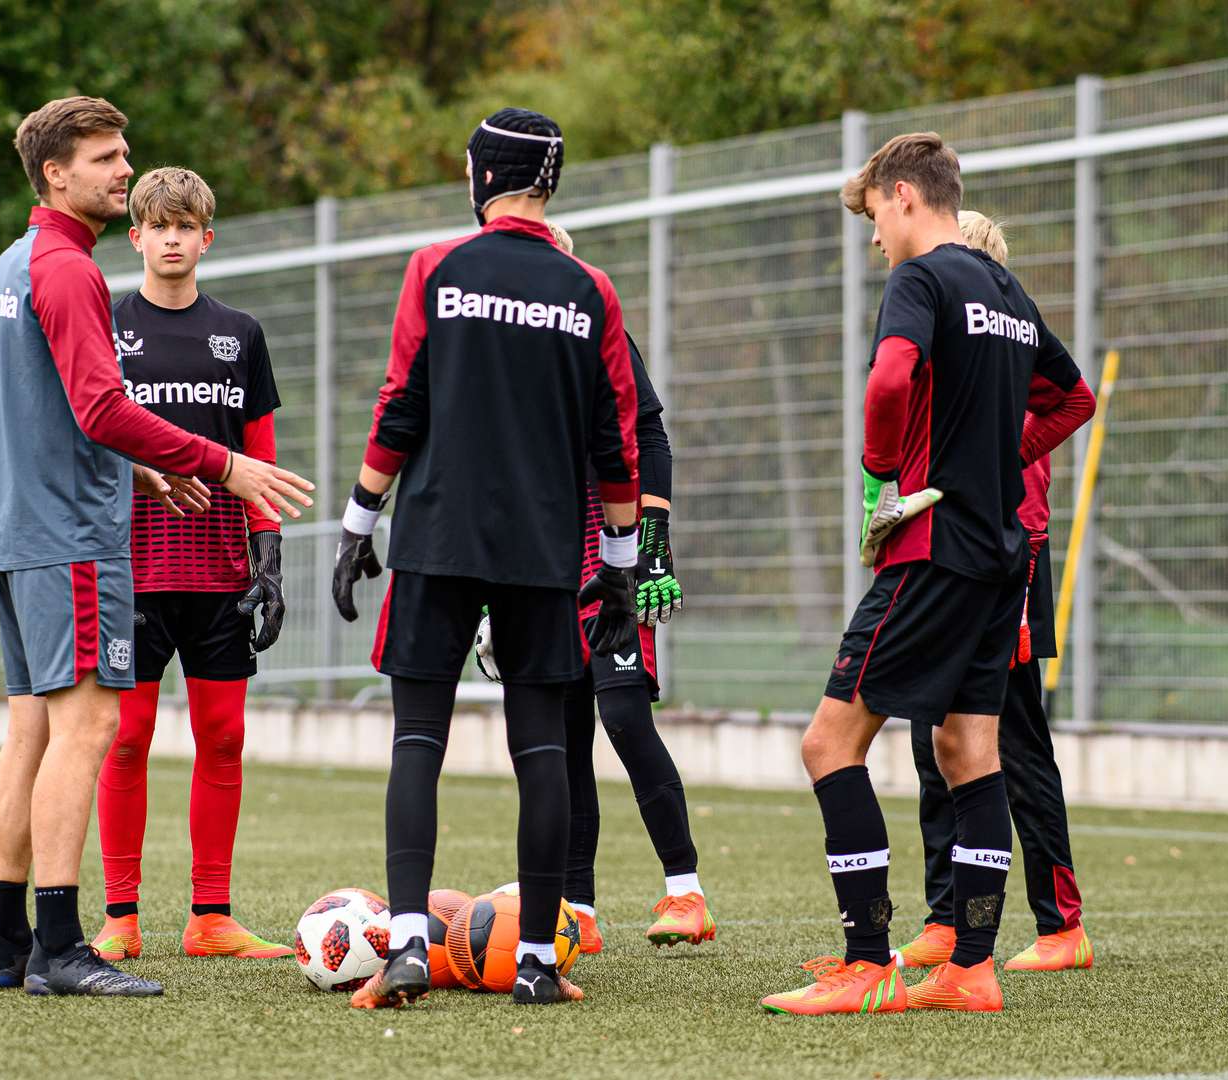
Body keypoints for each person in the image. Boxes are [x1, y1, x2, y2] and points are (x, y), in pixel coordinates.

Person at [0, 96, 312, 998]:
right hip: (67, 536)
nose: (124, 170)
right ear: (56, 174)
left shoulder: (14, 260)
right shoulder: (70, 269)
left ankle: (4, 946)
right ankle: (64, 947)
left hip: (6, 527)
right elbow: (102, 408)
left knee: (29, 732)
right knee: (92, 727)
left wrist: (141, 474)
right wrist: (223, 465)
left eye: (124, 155)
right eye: (107, 158)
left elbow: (52, 409)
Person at [759, 133, 1092, 1017]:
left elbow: (891, 377)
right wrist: (991, 463)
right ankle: (971, 970)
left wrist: (885, 477)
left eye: (873, 216)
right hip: (1002, 559)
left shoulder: (923, 279)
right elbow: (1074, 397)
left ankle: (868, 965)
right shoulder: (1005, 288)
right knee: (966, 748)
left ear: (904, 196)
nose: (873, 239)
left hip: (932, 548)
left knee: (829, 744)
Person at [331, 107, 642, 1008]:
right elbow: (613, 442)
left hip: (436, 536)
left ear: (483, 177)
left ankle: (408, 953)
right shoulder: (591, 289)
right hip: (545, 547)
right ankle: (539, 964)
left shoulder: (437, 268)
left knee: (417, 741)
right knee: (543, 752)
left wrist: (358, 525)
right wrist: (618, 564)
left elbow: (401, 404)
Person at [475, 220, 712, 955]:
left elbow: (652, 437)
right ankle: (579, 907)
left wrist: (653, 547)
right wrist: (490, 597)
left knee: (625, 718)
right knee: (564, 739)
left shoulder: (601, 335)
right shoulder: (502, 357)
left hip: (608, 564)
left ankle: (686, 893)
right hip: (541, 571)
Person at [89, 166, 293, 963]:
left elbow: (260, 456)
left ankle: (211, 917)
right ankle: (120, 919)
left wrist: (267, 554)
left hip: (218, 575)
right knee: (127, 735)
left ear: (206, 238)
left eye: (187, 227)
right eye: (157, 226)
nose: (171, 239)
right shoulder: (104, 324)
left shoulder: (239, 334)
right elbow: (89, 431)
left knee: (224, 734)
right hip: (129, 569)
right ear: (134, 236)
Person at [896, 211, 1095, 973]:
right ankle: (946, 916)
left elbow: (1061, 409)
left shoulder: (1002, 341)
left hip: (1010, 557)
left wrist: (1003, 458)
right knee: (929, 737)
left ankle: (1061, 924)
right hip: (945, 555)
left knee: (1012, 741)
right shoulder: (951, 343)